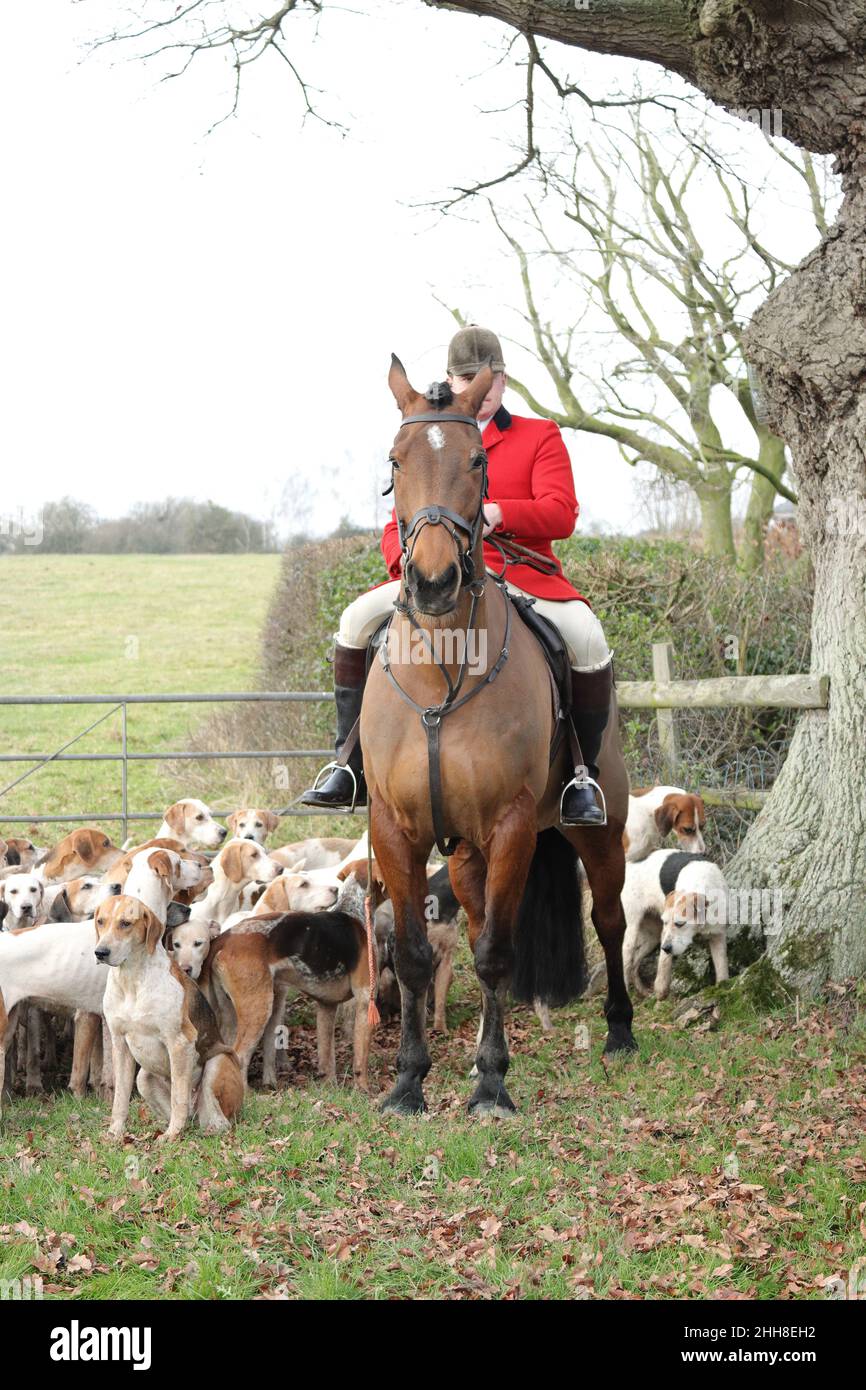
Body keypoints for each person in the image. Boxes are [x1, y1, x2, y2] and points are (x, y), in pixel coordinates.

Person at [299, 325, 614, 826]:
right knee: (355, 620)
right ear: (450, 379)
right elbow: (398, 518)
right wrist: (406, 563)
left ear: (503, 380)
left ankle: (582, 776)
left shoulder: (539, 435)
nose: (478, 388)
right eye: (466, 378)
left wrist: (500, 513)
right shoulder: (429, 435)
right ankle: (348, 763)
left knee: (588, 637)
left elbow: (562, 513)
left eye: (486, 380)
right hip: (439, 570)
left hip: (521, 573)